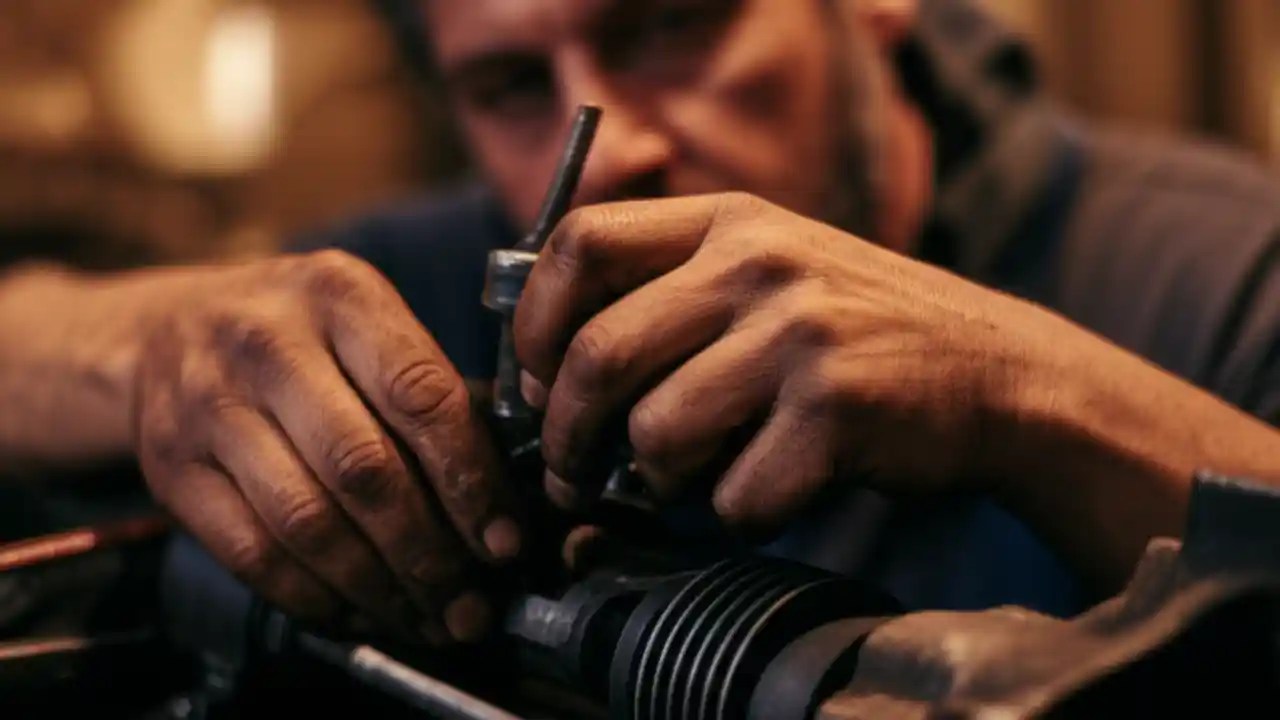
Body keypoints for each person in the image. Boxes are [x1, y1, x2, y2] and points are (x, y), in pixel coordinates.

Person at [2, 0, 1279, 644]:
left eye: (670, 26)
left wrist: (1006, 390)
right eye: (509, 86)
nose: (609, 147)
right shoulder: (431, 279)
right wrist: (156, 346)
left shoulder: (1216, 267)